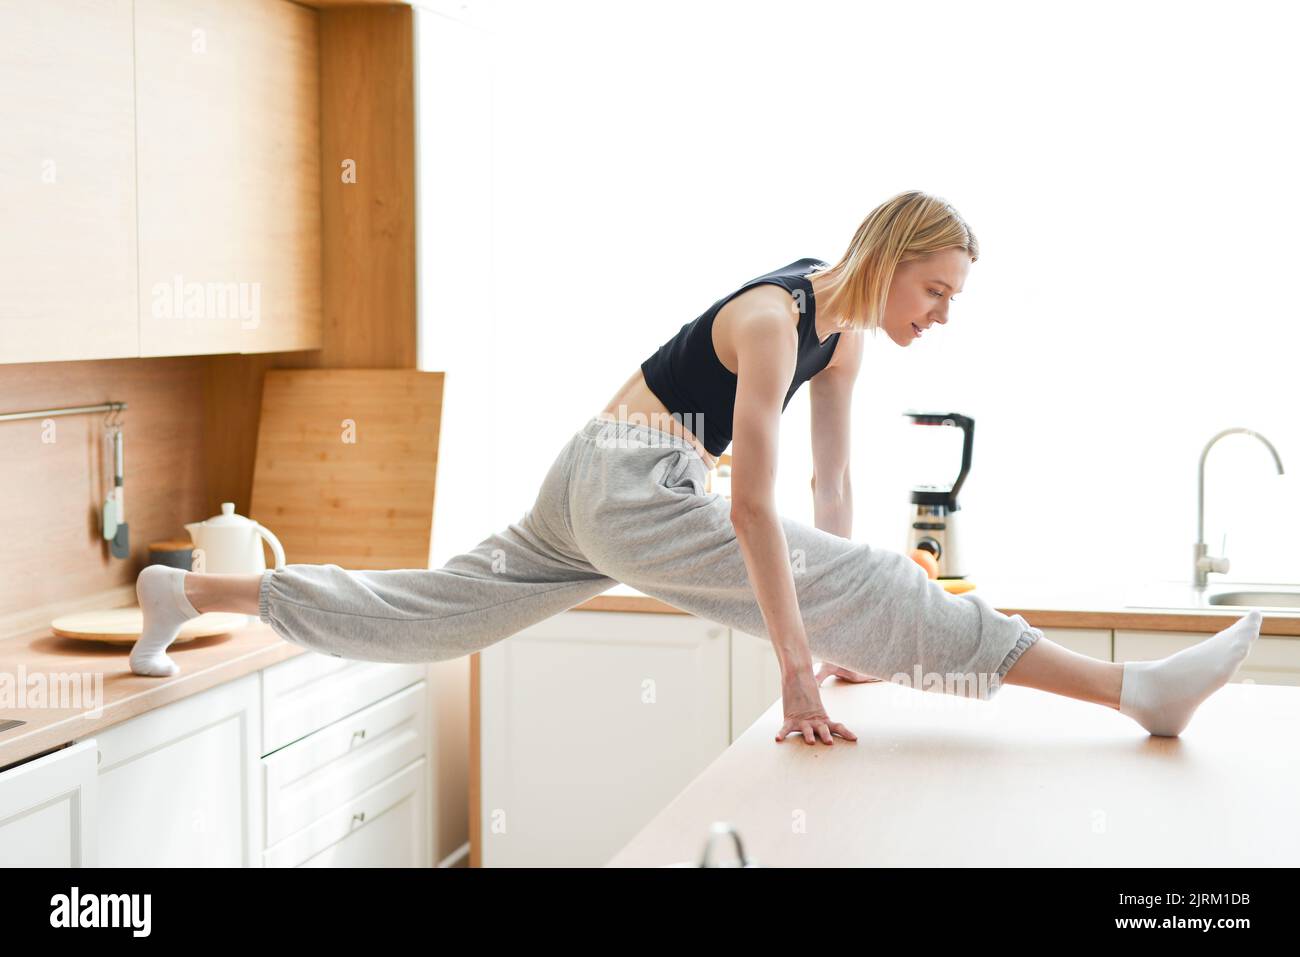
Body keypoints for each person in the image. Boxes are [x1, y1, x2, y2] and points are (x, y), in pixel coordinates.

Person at [131, 189, 1262, 743]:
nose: (944, 316)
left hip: (591, 476)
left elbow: (827, 498)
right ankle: (1136, 697)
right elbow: (762, 513)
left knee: (432, 612)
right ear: (892, 258)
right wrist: (799, 666)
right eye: (939, 291)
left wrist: (837, 629)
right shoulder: (777, 318)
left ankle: (186, 589)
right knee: (886, 588)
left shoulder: (847, 335)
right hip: (630, 484)